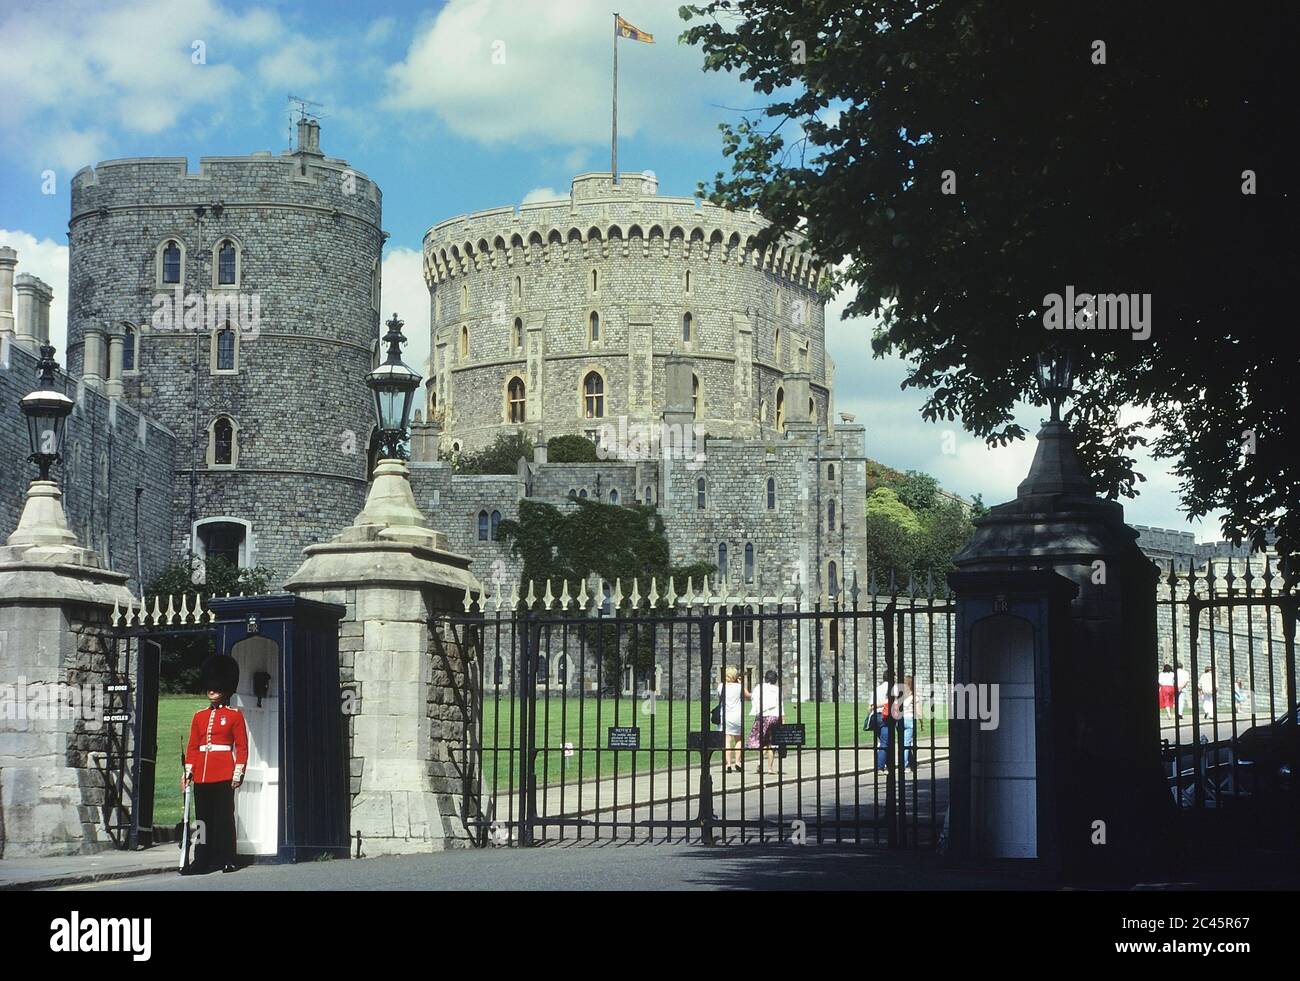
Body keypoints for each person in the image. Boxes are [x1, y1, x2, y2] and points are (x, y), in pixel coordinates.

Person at [182, 655, 248, 875]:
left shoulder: (234, 715)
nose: (212, 690)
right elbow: (193, 747)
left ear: (225, 688)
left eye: (216, 686)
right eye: (210, 686)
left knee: (224, 818)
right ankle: (201, 859)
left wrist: (238, 773)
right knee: (202, 820)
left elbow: (242, 747)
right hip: (201, 773)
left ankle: (227, 857)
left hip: (223, 772)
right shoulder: (199, 716)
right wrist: (188, 773)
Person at [747, 670, 784, 775]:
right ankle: (770, 768)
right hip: (774, 717)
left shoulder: (759, 688)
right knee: (772, 743)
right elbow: (780, 705)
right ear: (775, 679)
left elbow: (753, 699)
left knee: (763, 742)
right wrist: (783, 719)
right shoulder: (777, 689)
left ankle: (759, 762)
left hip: (762, 716)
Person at [716, 665, 749, 773]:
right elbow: (747, 695)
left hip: (725, 715)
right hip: (737, 715)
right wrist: (740, 683)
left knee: (727, 740)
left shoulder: (721, 686)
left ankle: (728, 764)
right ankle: (738, 762)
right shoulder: (739, 687)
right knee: (739, 740)